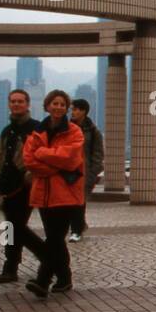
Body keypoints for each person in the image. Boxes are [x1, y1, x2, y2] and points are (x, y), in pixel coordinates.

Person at [22, 89, 85, 298]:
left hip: (66, 194)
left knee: (55, 238)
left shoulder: (74, 132)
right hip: (44, 194)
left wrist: (43, 154)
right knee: (54, 238)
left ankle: (43, 280)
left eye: (62, 104)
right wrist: (55, 165)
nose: (58, 107)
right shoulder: (37, 132)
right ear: (47, 106)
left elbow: (71, 158)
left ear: (67, 108)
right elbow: (29, 160)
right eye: (54, 103)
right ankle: (65, 278)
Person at [0, 89, 48, 284]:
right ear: (9, 104)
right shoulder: (7, 130)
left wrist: (29, 176)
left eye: (20, 101)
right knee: (9, 226)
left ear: (28, 104)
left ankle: (42, 258)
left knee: (17, 227)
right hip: (7, 185)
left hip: (25, 186)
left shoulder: (36, 128)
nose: (16, 104)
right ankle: (12, 265)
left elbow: (41, 155)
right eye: (13, 101)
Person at [66, 98, 104, 242]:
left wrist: (92, 173)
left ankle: (76, 230)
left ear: (84, 111)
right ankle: (79, 225)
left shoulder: (93, 131)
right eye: (72, 109)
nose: (73, 112)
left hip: (85, 172)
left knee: (79, 202)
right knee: (68, 202)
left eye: (76, 109)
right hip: (68, 171)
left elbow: (98, 154)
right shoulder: (66, 128)